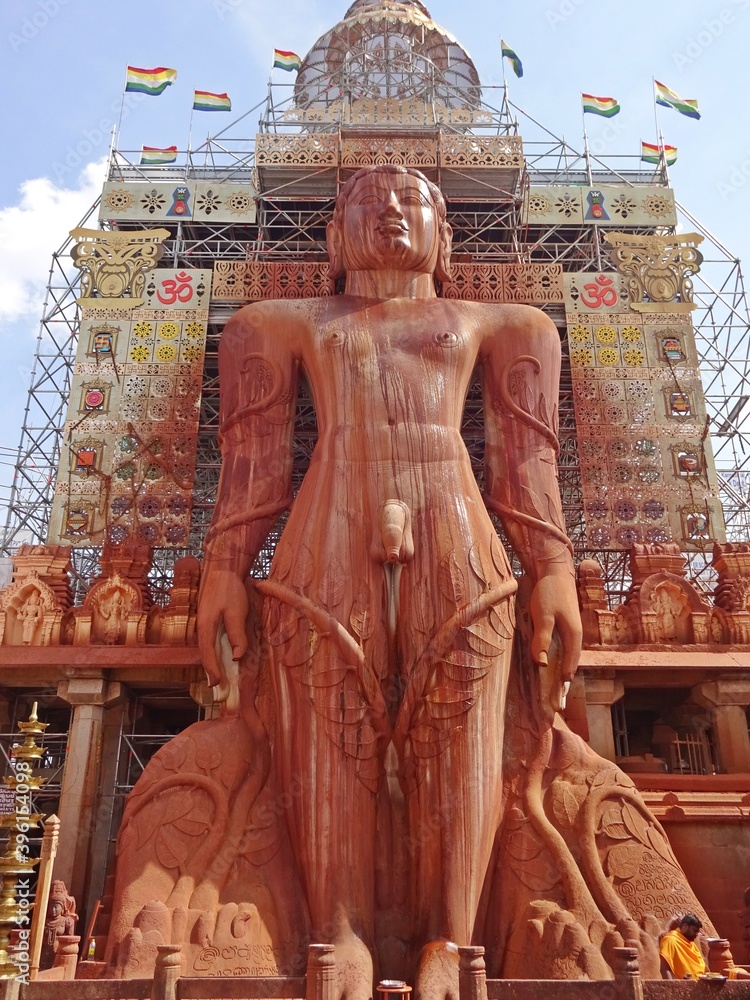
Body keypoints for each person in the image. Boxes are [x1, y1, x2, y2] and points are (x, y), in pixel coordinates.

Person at [197, 164, 582, 999]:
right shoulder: (277, 323)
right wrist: (224, 570)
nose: (391, 211)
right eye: (367, 202)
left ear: (446, 235)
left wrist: (553, 569)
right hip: (329, 520)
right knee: (323, 714)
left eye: (414, 200)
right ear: (334, 239)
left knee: (466, 720)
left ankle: (454, 935)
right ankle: (338, 932)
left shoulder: (510, 324)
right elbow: (252, 466)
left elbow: (526, 462)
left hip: (456, 523)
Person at [659, 914, 707, 979]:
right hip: (680, 986)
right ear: (685, 926)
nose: (696, 934)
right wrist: (671, 987)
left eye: (697, 932)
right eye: (694, 931)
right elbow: (664, 969)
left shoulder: (690, 942)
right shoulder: (670, 940)